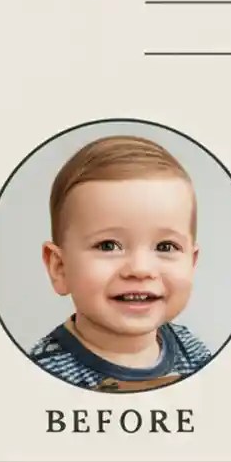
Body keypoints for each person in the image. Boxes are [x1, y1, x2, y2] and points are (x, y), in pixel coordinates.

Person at [29, 135, 211, 392]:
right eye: (108, 246)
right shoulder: (40, 378)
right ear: (60, 268)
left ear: (192, 264)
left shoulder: (192, 349)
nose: (140, 269)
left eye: (165, 247)